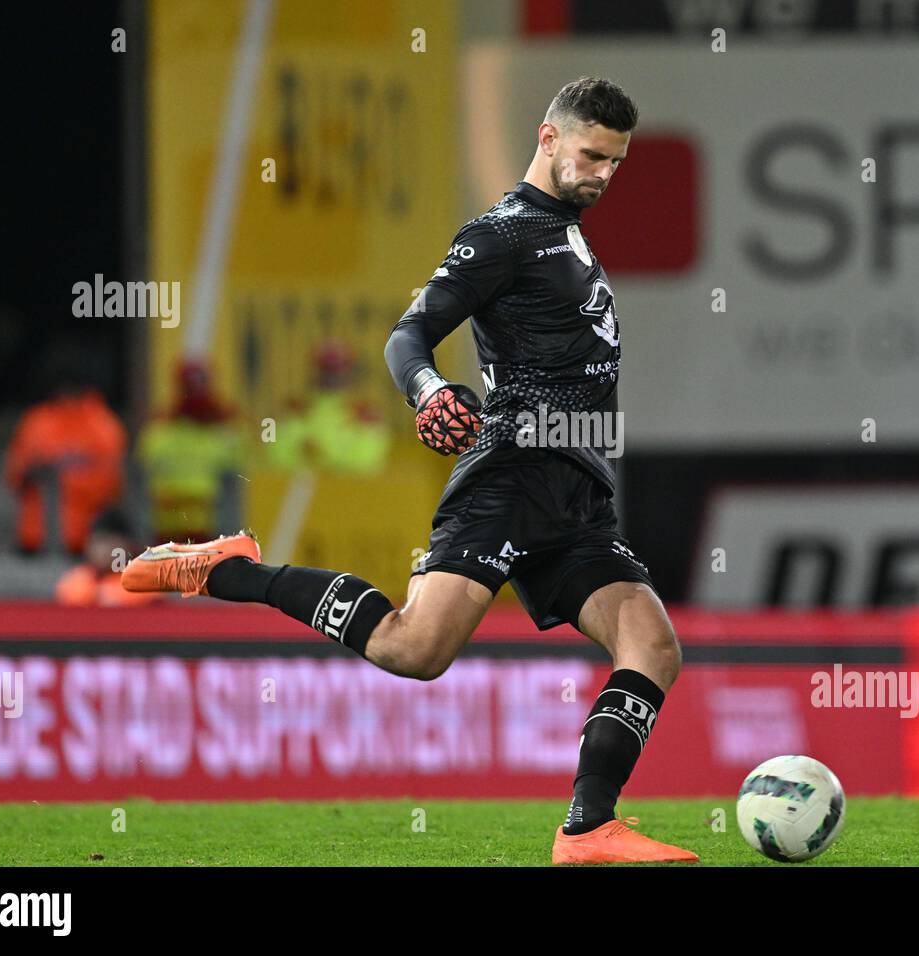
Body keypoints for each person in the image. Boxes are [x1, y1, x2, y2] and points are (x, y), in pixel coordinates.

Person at [121, 77, 693, 864]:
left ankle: (588, 830)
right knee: (412, 650)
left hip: (577, 489)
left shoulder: (568, 231)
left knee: (654, 646)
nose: (602, 173)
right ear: (549, 138)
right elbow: (408, 335)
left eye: (616, 162)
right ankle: (231, 570)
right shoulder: (502, 233)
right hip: (515, 471)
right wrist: (428, 391)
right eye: (592, 155)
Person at [5, 367, 126, 555]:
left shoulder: (102, 425)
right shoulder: (38, 421)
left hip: (86, 542)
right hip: (36, 539)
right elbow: (16, 474)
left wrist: (61, 473)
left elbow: (111, 484)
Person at [136, 361, 242, 542]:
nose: (197, 394)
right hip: (167, 532)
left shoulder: (222, 431)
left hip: (207, 532)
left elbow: (237, 484)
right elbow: (140, 483)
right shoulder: (159, 431)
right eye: (192, 386)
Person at [264, 343, 390, 474]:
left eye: (337, 368)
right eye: (326, 369)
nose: (332, 375)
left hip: (347, 476)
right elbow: (272, 450)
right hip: (301, 470)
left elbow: (368, 461)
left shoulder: (366, 415)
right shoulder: (294, 412)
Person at [54, 509, 163, 607]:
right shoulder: (75, 580)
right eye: (96, 542)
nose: (100, 550)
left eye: (107, 542)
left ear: (127, 545)